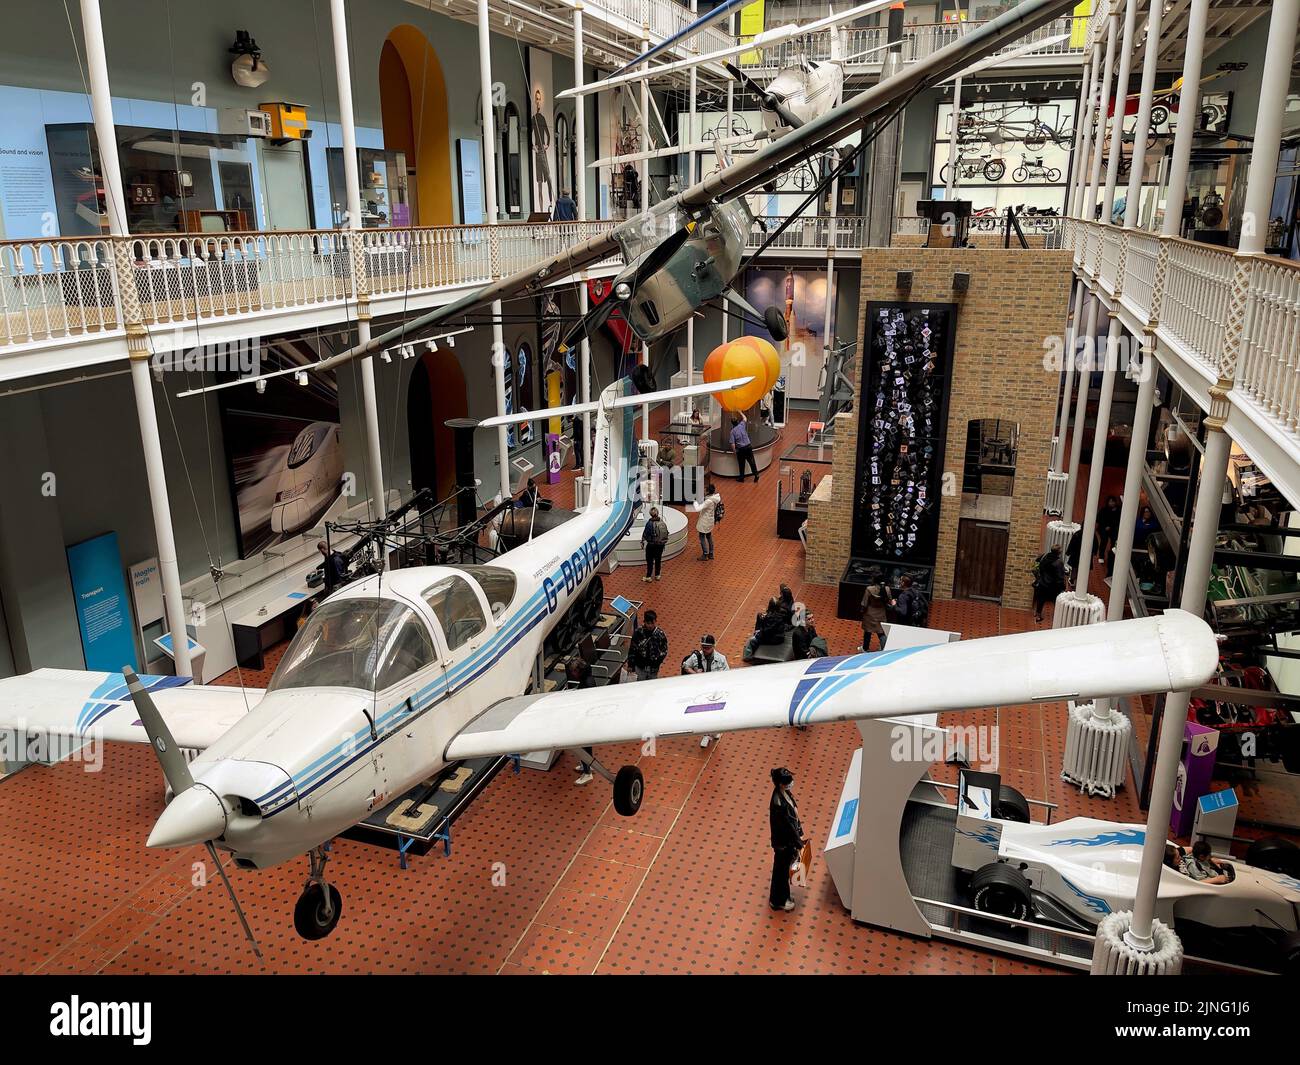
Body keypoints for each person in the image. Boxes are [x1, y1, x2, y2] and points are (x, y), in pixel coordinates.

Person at [682, 634, 730, 748]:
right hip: (702, 691)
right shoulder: (696, 657)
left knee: (716, 712)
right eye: (703, 647)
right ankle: (706, 734)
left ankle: (715, 730)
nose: (705, 650)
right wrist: (696, 675)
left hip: (716, 691)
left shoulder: (721, 659)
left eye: (708, 647)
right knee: (705, 713)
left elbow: (728, 674)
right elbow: (685, 665)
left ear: (713, 646)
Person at [768, 767, 805, 912]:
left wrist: (799, 833)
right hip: (783, 844)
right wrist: (798, 843)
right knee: (781, 872)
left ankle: (782, 898)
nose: (791, 783)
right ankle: (778, 900)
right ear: (781, 784)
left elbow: (794, 818)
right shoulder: (778, 804)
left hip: (786, 842)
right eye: (788, 781)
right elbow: (788, 827)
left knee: (781, 871)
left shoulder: (784, 794)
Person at [566, 657, 598, 785]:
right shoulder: (587, 678)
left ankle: (587, 773)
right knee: (586, 746)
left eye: (573, 671)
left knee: (585, 746)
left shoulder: (587, 683)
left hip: (586, 720)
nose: (572, 674)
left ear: (578, 671)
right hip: (587, 718)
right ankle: (587, 765)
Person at [628, 609, 669, 680]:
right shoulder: (638, 633)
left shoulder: (660, 634)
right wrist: (630, 664)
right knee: (641, 683)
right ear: (644, 622)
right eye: (648, 623)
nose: (650, 625)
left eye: (652, 623)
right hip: (640, 666)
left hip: (653, 668)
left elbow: (664, 650)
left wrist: (657, 661)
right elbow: (632, 649)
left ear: (655, 621)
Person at [1032, 544, 1066, 623]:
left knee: (1041, 600)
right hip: (1053, 586)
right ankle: (1057, 618)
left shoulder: (1044, 556)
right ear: (1059, 552)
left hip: (1042, 583)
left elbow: (1037, 562)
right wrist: (1062, 586)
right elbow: (1060, 577)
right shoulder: (1058, 562)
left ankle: (1038, 615)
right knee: (1056, 601)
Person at [693, 482, 721, 561]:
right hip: (710, 520)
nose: (704, 491)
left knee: (702, 536)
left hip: (705, 521)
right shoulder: (714, 498)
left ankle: (705, 554)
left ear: (708, 491)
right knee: (709, 536)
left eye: (705, 490)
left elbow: (698, 508)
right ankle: (711, 553)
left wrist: (695, 501)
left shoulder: (708, 501)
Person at [641, 506, 669, 582]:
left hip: (651, 545)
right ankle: (657, 575)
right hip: (661, 544)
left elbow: (646, 534)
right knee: (658, 559)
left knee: (650, 560)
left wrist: (643, 541)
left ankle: (648, 577)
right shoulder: (662, 522)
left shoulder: (649, 523)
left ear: (650, 514)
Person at [730, 414, 759, 483]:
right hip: (748, 446)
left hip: (741, 449)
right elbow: (745, 418)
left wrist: (735, 452)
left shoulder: (732, 431)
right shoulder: (742, 425)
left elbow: (732, 444)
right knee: (752, 462)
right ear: (737, 421)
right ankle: (756, 474)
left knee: (741, 464)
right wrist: (740, 412)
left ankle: (741, 478)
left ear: (732, 423)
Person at [860, 583, 888, 651]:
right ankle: (885, 649)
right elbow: (889, 600)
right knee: (881, 632)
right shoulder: (887, 589)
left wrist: (862, 610)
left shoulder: (869, 589)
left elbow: (864, 603)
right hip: (881, 613)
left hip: (870, 614)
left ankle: (865, 648)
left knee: (867, 631)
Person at [1096, 495, 1122, 565]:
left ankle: (1111, 555)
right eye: (1110, 502)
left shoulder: (1119, 510)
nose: (1112, 503)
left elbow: (1119, 521)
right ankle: (1101, 556)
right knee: (1104, 540)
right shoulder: (1104, 510)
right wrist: (1105, 527)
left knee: (1114, 541)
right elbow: (1099, 519)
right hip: (1103, 528)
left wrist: (1111, 526)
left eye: (1113, 502)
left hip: (1113, 529)